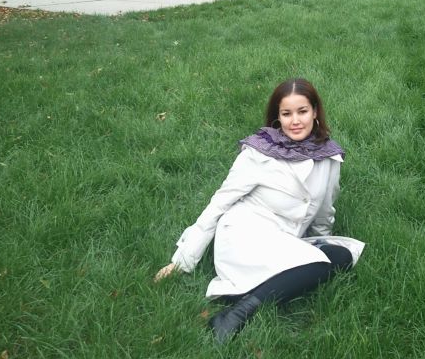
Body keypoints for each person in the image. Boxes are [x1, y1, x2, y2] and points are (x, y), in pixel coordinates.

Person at [154, 78, 364, 343]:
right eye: (286, 114)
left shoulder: (328, 157)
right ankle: (237, 314)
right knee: (319, 266)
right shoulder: (260, 152)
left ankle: (255, 291)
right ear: (278, 117)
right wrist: (182, 260)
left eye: (302, 111)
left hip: (285, 238)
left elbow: (324, 209)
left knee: (341, 256)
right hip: (245, 232)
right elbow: (219, 203)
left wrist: (321, 242)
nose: (295, 121)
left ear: (314, 112)